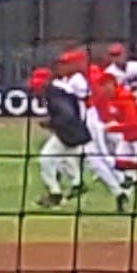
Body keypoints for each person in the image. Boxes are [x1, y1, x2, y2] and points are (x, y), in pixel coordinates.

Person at [88, 58, 137, 210]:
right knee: (119, 163)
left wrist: (111, 129)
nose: (102, 89)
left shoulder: (124, 99)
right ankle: (129, 186)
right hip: (128, 136)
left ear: (112, 84)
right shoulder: (110, 98)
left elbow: (133, 125)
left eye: (104, 85)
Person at [33, 58, 99, 207]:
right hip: (77, 128)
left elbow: (66, 114)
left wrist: (52, 123)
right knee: (66, 159)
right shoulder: (59, 89)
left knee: (46, 158)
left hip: (70, 130)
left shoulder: (54, 93)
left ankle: (55, 193)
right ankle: (78, 184)